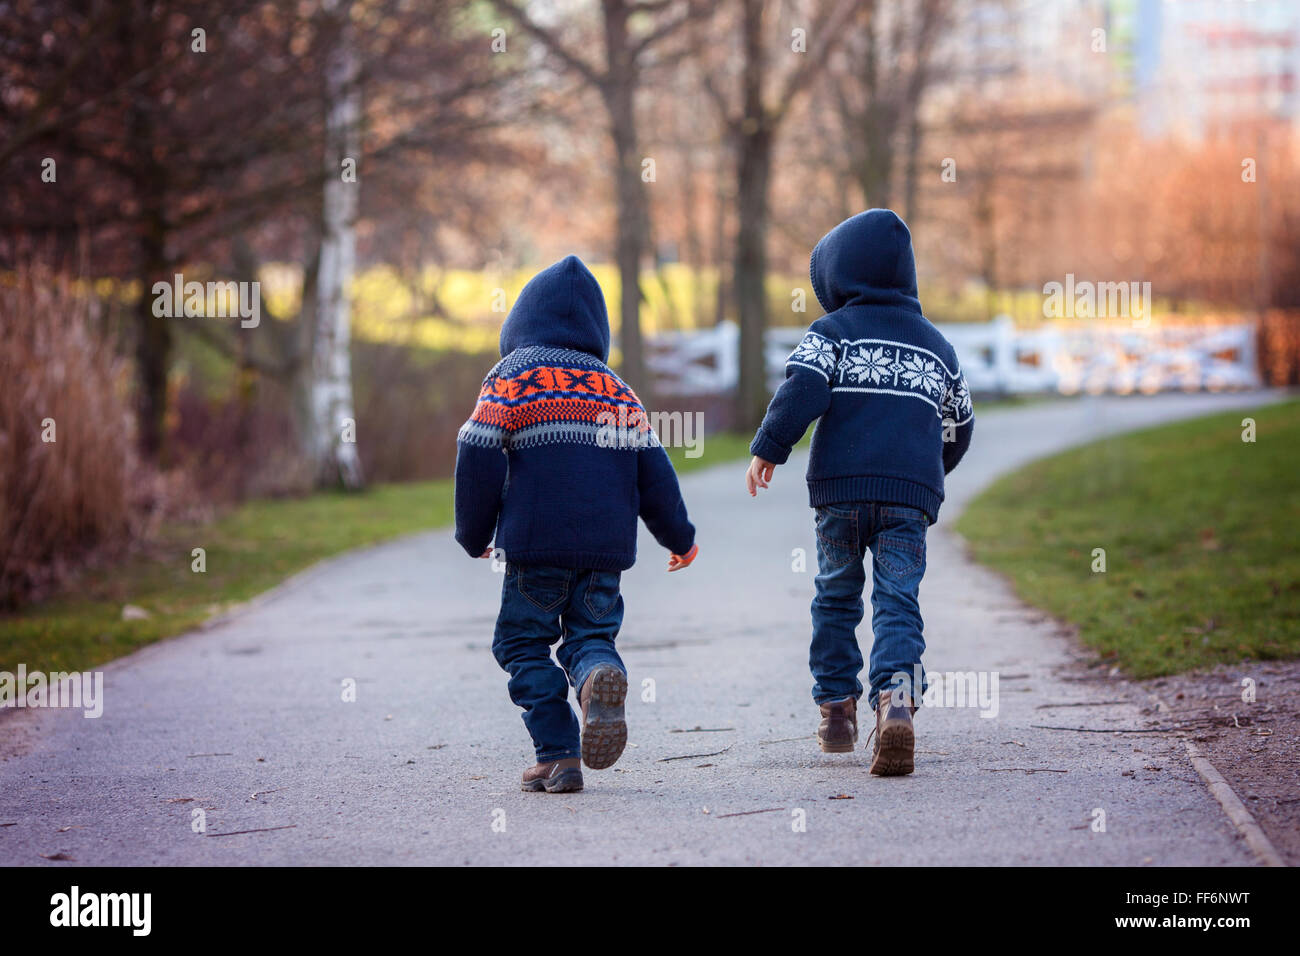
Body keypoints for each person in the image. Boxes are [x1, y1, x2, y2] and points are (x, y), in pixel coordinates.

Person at [455, 255, 698, 793]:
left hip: (533, 549)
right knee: (590, 635)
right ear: (597, 331)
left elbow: (476, 450)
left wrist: (474, 533)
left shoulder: (511, 377)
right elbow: (655, 470)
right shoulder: (616, 389)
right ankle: (593, 680)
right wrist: (680, 537)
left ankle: (558, 753)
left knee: (522, 646)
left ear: (518, 324)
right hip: (603, 554)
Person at [745, 210, 974, 776]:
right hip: (907, 501)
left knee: (835, 596)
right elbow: (959, 423)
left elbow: (802, 391)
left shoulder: (830, 334)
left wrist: (769, 447)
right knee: (899, 601)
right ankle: (897, 703)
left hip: (840, 496)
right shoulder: (936, 347)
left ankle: (836, 711)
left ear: (840, 276)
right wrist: (929, 473)